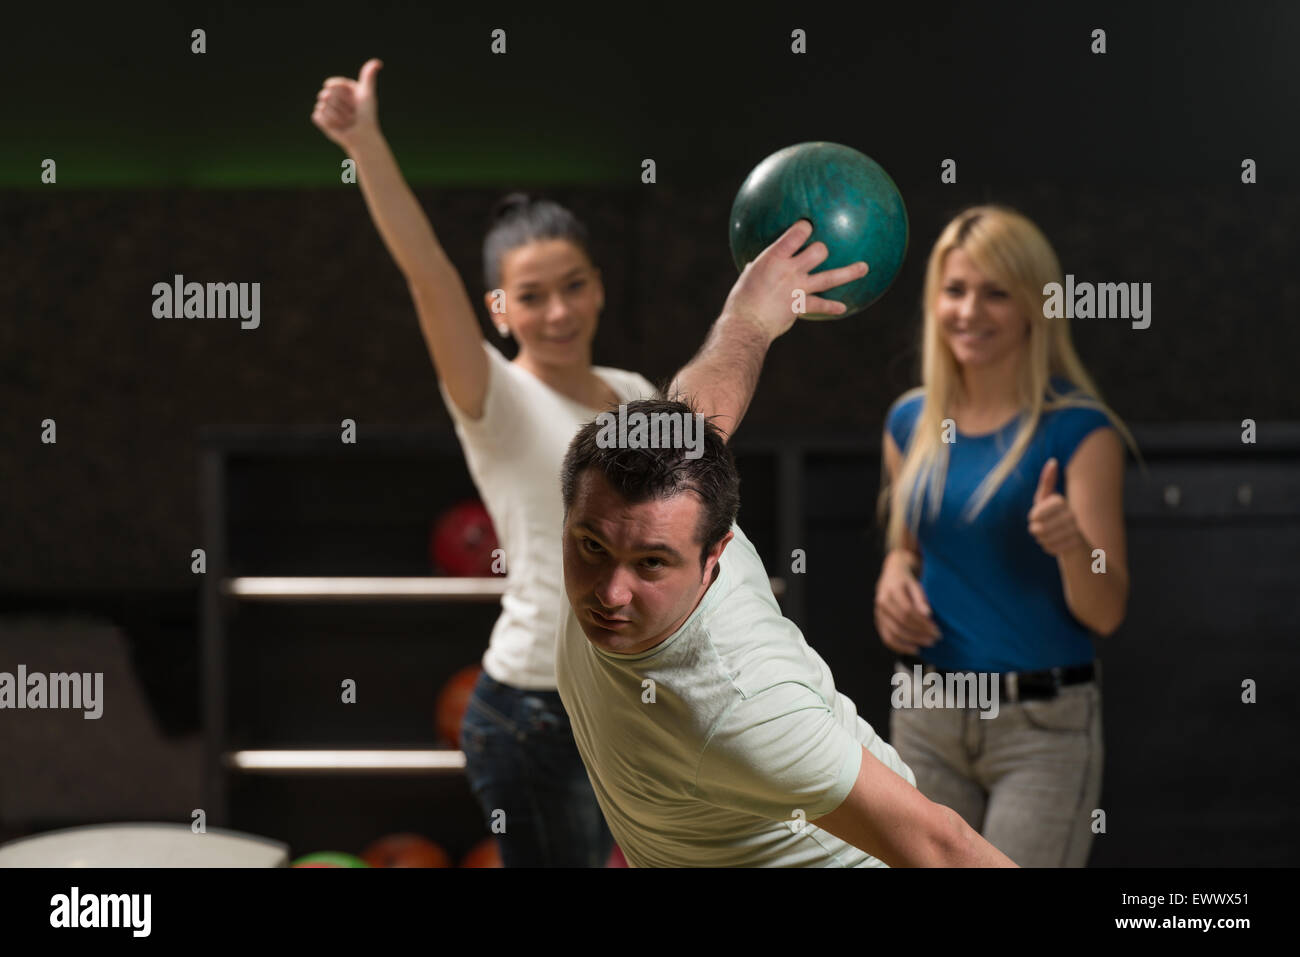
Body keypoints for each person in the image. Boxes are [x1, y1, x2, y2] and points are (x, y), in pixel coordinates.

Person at [554, 221, 1017, 866]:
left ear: (716, 554)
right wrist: (751, 315)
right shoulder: (645, 498)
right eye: (593, 548)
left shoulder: (743, 709)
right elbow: (701, 407)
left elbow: (944, 847)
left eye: (651, 564)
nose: (610, 592)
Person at [311, 59, 657, 866]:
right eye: (531, 295)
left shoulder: (640, 394)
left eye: (574, 286)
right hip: (533, 709)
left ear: (599, 288)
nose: (559, 310)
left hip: (633, 706)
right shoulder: (493, 396)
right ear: (498, 309)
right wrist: (365, 144)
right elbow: (427, 273)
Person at [875, 205, 1138, 867]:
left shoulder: (1080, 431)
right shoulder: (909, 421)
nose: (971, 311)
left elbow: (1105, 608)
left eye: (996, 292)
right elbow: (907, 548)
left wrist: (1072, 543)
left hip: (1041, 730)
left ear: (1034, 306)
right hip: (928, 713)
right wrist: (892, 574)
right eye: (956, 290)